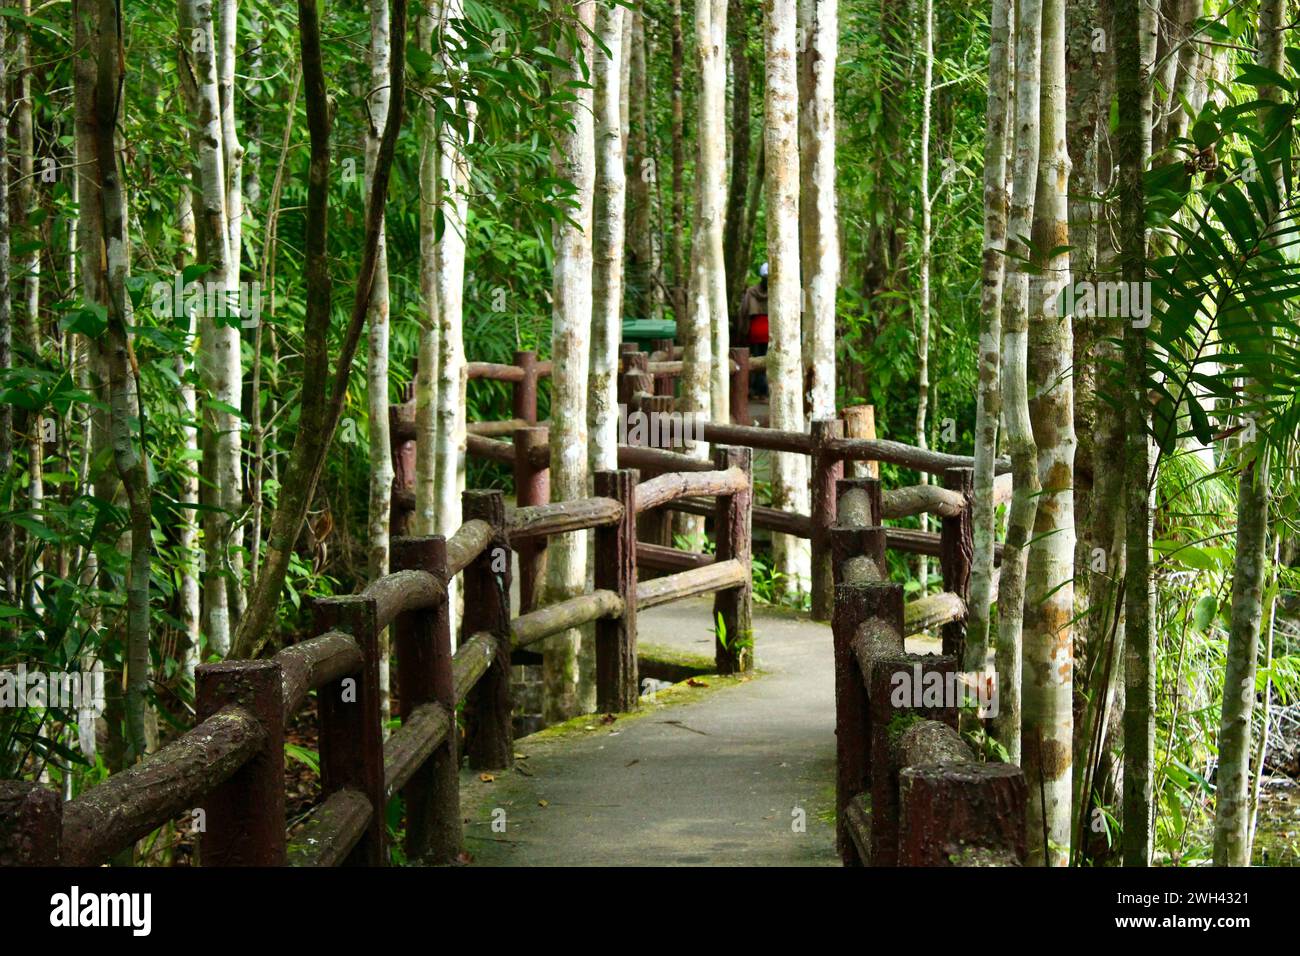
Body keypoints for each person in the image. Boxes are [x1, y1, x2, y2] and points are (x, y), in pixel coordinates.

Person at [735, 262, 770, 399]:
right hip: (769, 330)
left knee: (755, 360)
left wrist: (742, 331)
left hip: (755, 330)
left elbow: (743, 312)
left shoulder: (751, 292)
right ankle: (764, 391)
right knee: (767, 362)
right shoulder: (777, 292)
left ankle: (756, 390)